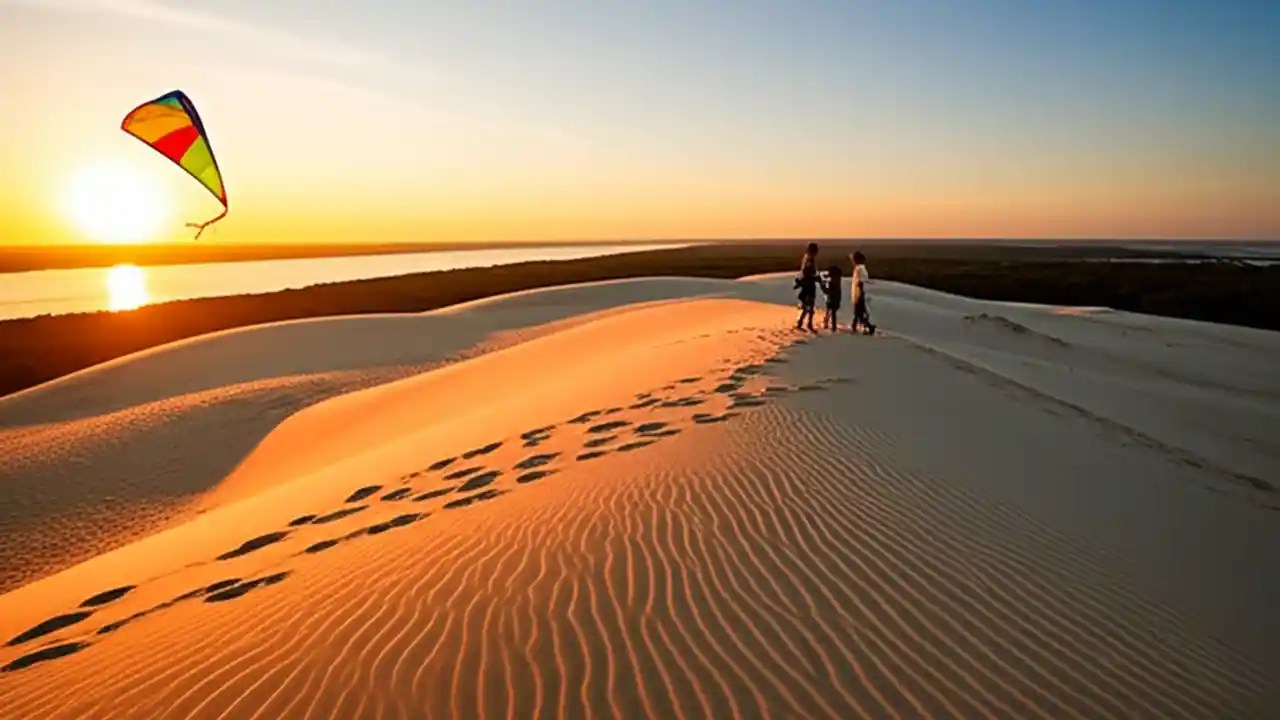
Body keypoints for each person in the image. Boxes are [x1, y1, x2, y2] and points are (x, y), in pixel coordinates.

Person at [794, 242, 819, 331]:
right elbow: (807, 272)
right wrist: (815, 277)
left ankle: (804, 323)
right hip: (809, 285)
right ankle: (804, 323)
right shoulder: (809, 260)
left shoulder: (807, 259)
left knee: (808, 306)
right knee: (808, 306)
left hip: (808, 284)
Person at [849, 251, 875, 334]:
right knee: (858, 312)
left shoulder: (860, 269)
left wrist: (859, 294)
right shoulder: (859, 268)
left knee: (859, 312)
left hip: (859, 294)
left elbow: (861, 282)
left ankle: (867, 326)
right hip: (858, 293)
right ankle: (856, 325)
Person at [820, 264, 843, 331]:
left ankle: (829, 324)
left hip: (832, 298)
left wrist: (823, 285)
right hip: (836, 297)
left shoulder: (832, 282)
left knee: (830, 311)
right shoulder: (837, 281)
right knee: (832, 312)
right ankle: (832, 326)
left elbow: (827, 291)